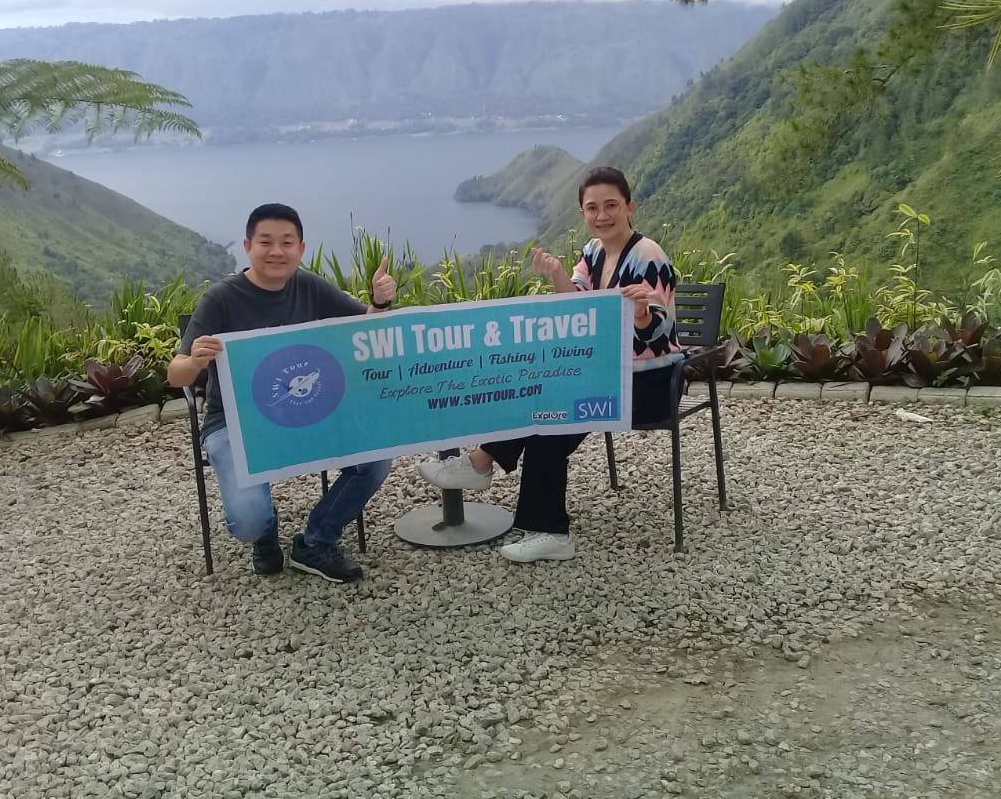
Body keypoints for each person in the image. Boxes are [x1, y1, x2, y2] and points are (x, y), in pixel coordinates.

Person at [418, 167, 684, 563]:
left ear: (630, 207)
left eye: (611, 205)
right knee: (540, 397)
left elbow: (657, 333)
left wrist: (642, 314)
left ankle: (524, 506)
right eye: (592, 207)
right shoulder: (593, 253)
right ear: (581, 213)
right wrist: (559, 273)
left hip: (649, 384)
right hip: (603, 376)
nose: (602, 215)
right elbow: (574, 309)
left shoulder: (648, 256)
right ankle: (500, 482)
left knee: (551, 418)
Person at [168, 203, 397, 584]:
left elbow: (367, 331)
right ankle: (264, 532)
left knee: (374, 460)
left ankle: (316, 540)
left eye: (287, 242)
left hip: (309, 410)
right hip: (235, 422)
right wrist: (193, 363)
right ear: (248, 246)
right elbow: (175, 375)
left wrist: (380, 301)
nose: (277, 251)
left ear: (301, 249)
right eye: (266, 242)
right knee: (247, 521)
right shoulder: (221, 299)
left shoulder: (307, 285)